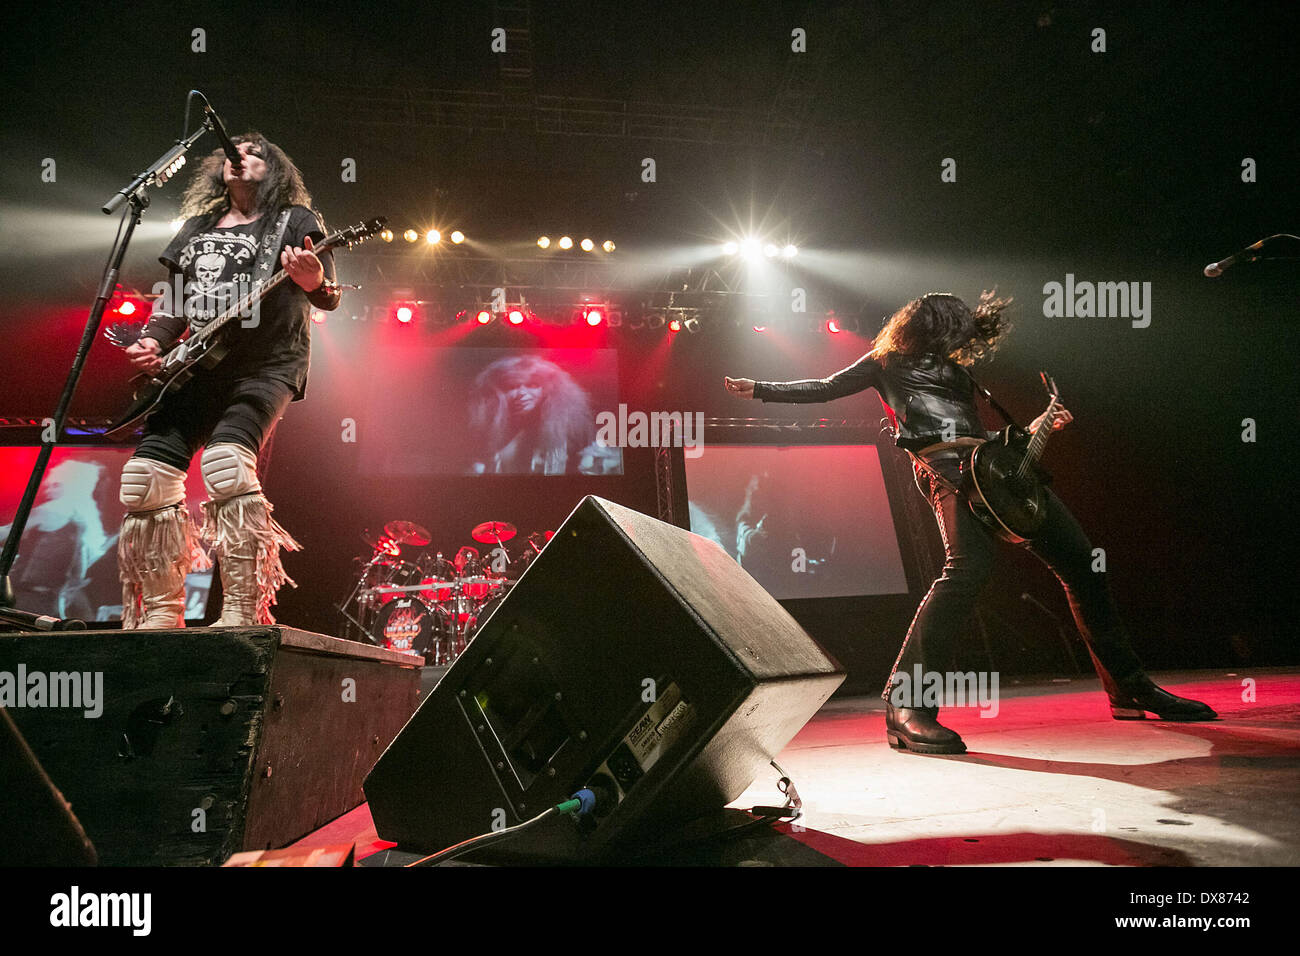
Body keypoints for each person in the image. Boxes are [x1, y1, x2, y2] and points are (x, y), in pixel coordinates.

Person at [725, 291, 1215, 754]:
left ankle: (1130, 689)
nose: (963, 335)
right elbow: (827, 387)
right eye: (955, 324)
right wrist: (761, 388)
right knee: (965, 573)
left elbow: (977, 431)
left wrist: (1036, 428)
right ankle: (907, 704)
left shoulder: (960, 373)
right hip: (944, 468)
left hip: (992, 468)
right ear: (929, 324)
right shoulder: (885, 362)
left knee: (1083, 564)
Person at [118, 133, 341, 628]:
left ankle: (241, 611)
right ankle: (160, 613)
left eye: (256, 153)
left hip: (266, 366)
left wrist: (312, 281)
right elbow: (174, 299)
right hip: (196, 366)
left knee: (225, 466)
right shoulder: (197, 227)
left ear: (275, 169)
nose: (240, 157)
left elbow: (329, 297)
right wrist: (155, 341)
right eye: (232, 152)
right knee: (143, 483)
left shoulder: (296, 221)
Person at [466, 355, 620, 475]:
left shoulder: (578, 436)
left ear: (549, 390)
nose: (521, 393)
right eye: (512, 386)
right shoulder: (483, 438)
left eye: (532, 385)